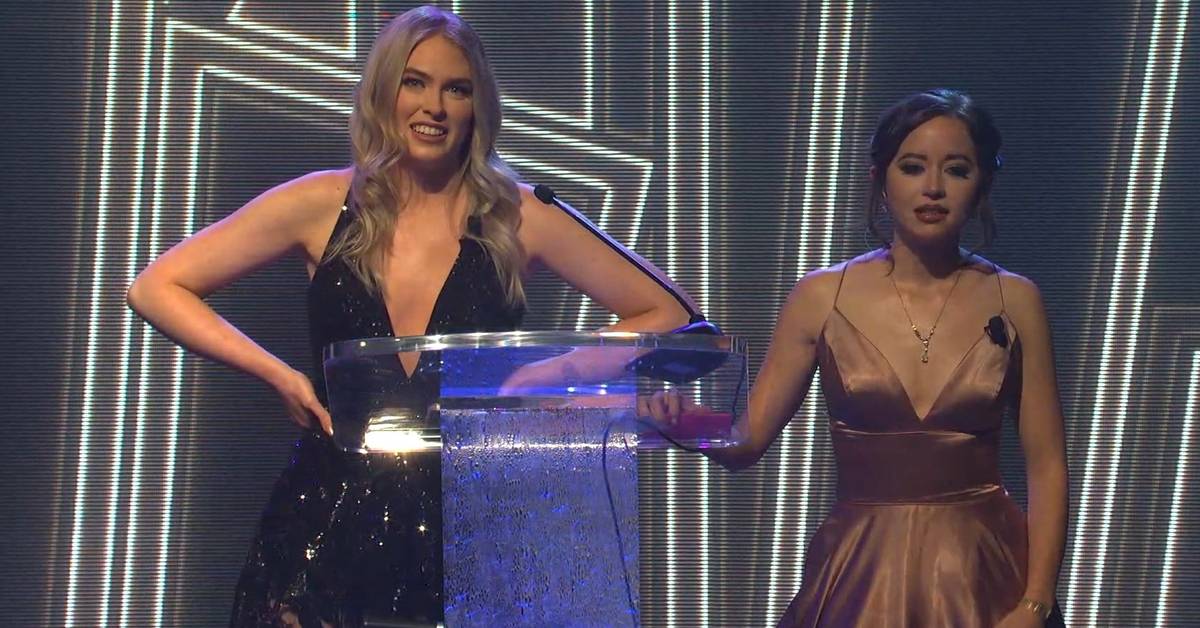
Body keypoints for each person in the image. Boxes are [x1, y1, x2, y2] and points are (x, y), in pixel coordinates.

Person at [126, 6, 695, 626]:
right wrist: (278, 374)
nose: (435, 107)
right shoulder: (321, 202)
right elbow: (157, 287)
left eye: (457, 89)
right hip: (324, 522)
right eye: (415, 82)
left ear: (477, 108)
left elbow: (670, 314)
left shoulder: (518, 214)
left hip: (469, 527)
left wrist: (550, 372)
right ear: (384, 92)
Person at [703, 89, 1066, 626]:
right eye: (913, 167)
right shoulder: (821, 296)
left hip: (986, 574)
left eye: (957, 170)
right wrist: (685, 422)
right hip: (861, 572)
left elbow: (1047, 465)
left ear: (982, 185)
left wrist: (1035, 600)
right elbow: (746, 443)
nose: (933, 187)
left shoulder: (1015, 299)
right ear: (881, 180)